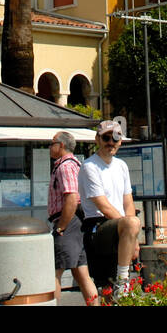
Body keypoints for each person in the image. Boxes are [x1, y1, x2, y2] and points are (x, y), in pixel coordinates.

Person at [79, 120, 141, 293]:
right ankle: (123, 280)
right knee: (106, 286)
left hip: (119, 226)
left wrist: (131, 234)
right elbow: (103, 206)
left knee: (109, 290)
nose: (111, 143)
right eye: (106, 138)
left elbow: (128, 202)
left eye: (115, 138)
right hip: (98, 226)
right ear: (97, 139)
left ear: (120, 141)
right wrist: (130, 227)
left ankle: (121, 280)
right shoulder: (89, 166)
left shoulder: (121, 166)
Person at [48, 130, 97, 305]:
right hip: (74, 222)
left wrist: (61, 226)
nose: (49, 147)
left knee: (55, 270)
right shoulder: (72, 164)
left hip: (68, 221)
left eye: (52, 143)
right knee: (81, 272)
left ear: (61, 145)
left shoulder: (66, 166)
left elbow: (71, 198)